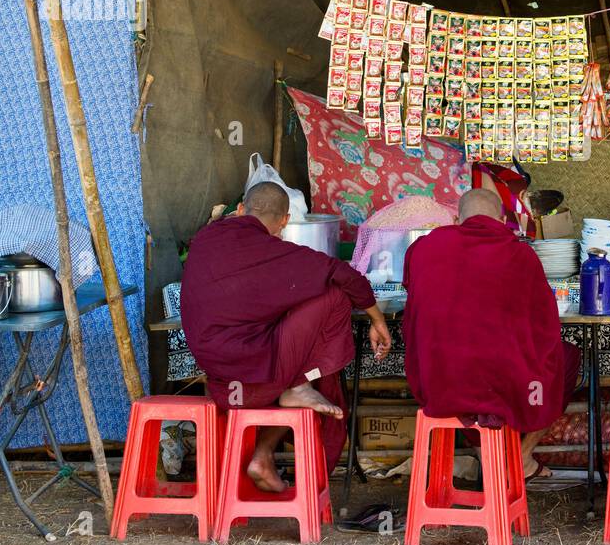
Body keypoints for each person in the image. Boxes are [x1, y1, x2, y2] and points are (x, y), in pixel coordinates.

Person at [181, 181, 393, 492]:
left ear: (240, 210)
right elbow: (344, 275)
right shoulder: (273, 249)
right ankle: (300, 384)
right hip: (252, 369)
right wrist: (378, 321)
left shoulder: (206, 237)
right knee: (334, 297)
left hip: (216, 371)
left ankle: (265, 449)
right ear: (284, 221)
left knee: (293, 334)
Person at [402, 188, 579, 478]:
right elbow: (545, 323)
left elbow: (415, 298)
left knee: (464, 376)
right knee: (565, 358)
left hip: (438, 379)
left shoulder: (423, 248)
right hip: (504, 382)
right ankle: (521, 458)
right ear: (501, 219)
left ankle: (489, 457)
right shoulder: (520, 254)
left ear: (457, 219)